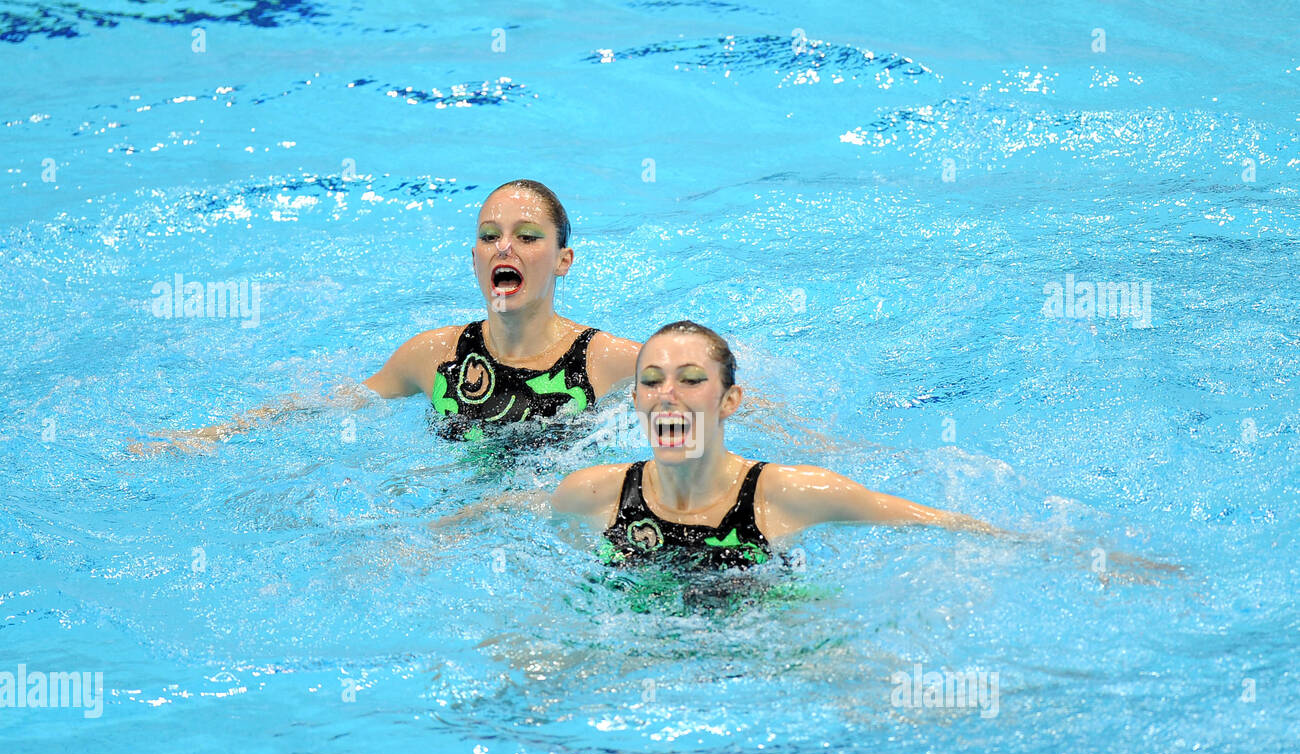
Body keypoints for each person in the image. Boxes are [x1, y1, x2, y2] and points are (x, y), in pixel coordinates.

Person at [551, 321, 1183, 577]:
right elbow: (506, 515)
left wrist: (1084, 554)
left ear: (730, 401)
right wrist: (446, 534)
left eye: (692, 381)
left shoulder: (787, 495)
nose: (669, 397)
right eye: (653, 381)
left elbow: (936, 522)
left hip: (770, 652)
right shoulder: (594, 493)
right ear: (633, 400)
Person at [129, 179, 641, 453]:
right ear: (475, 259)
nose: (504, 246)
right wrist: (211, 434)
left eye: (527, 236)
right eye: (489, 236)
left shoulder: (607, 362)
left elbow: (704, 391)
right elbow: (328, 404)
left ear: (562, 260)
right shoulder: (435, 356)